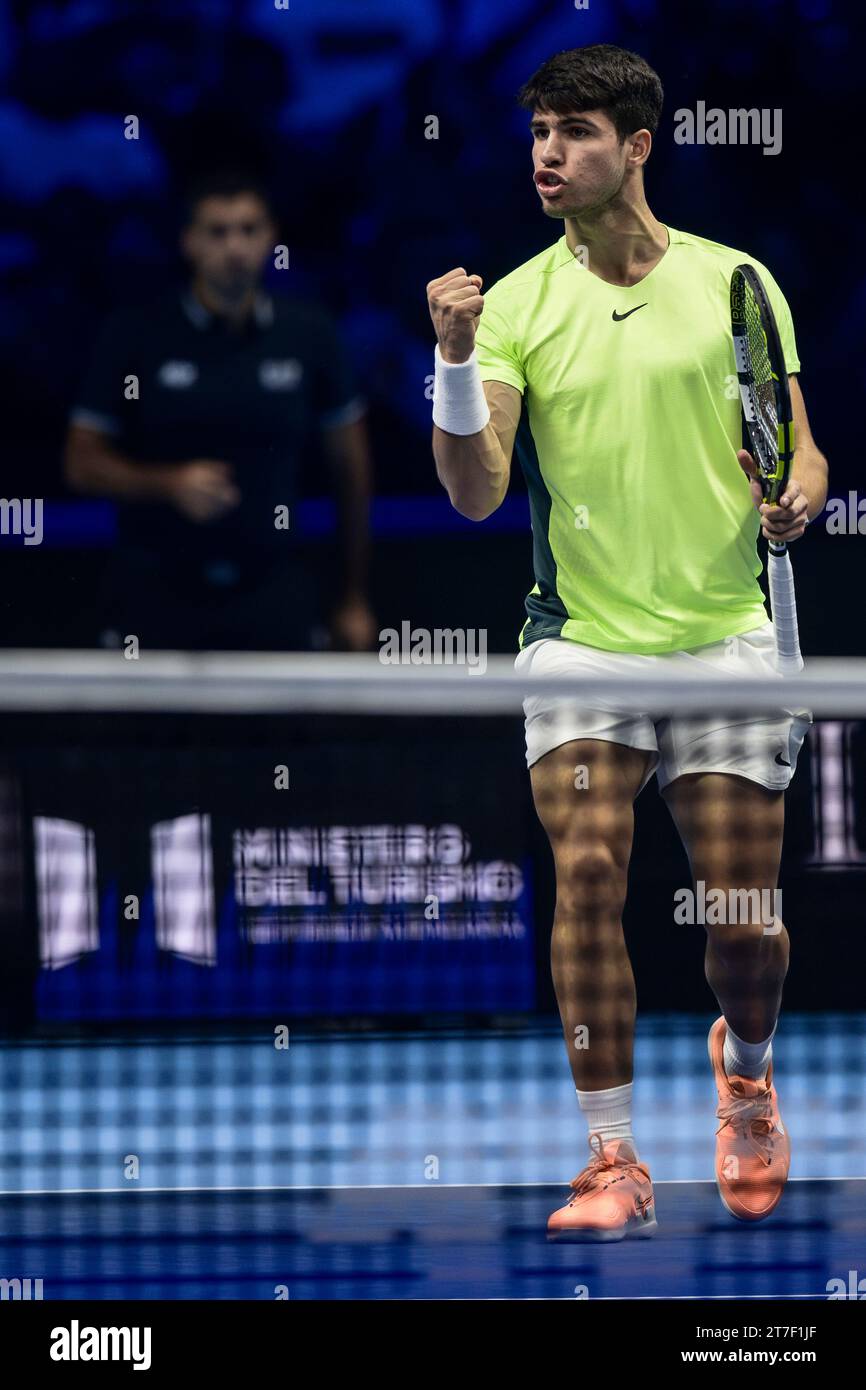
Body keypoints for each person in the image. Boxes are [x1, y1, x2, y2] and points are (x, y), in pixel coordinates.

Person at [427, 44, 828, 1240]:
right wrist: (452, 363)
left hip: (722, 635)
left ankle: (744, 1072)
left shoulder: (735, 282)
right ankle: (612, 1159)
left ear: (637, 146)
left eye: (576, 132)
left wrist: (800, 488)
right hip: (581, 639)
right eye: (538, 131)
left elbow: (797, 443)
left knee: (739, 924)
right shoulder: (511, 307)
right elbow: (474, 491)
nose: (547, 153)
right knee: (588, 872)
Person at [65, 170, 376, 652]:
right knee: (147, 729)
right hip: (154, 588)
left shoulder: (309, 333)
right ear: (189, 241)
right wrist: (167, 484)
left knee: (290, 727)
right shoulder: (134, 333)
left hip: (274, 585)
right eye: (218, 231)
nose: (235, 247)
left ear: (271, 238)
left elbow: (351, 471)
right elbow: (81, 464)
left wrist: (353, 596)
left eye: (249, 230)